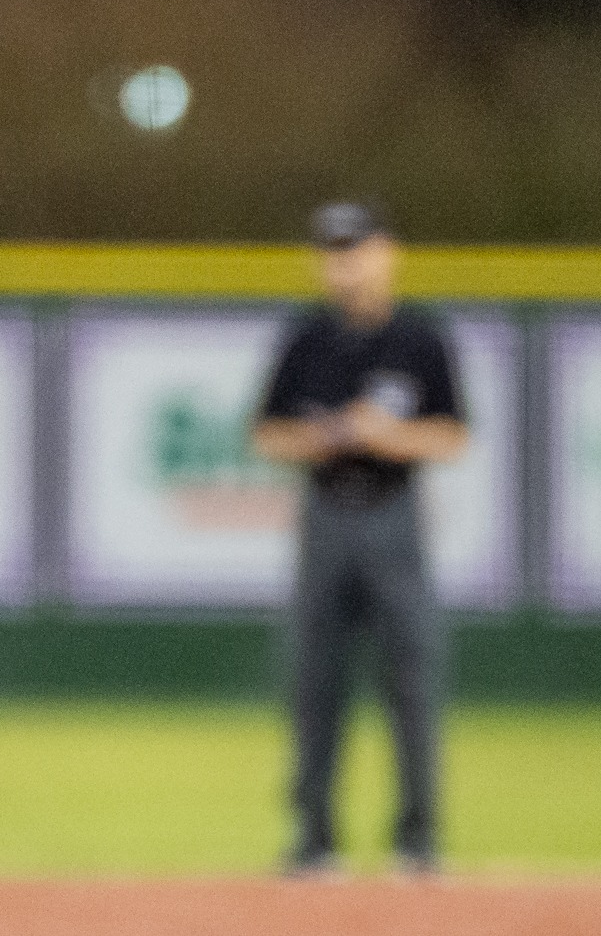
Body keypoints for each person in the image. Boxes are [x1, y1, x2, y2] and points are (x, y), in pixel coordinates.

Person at [252, 201, 468, 876]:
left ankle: (417, 841)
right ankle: (313, 842)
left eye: (355, 247)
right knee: (315, 679)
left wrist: (386, 434)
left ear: (386, 251)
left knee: (411, 676)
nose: (343, 263)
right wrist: (316, 438)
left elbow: (452, 434)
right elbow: (265, 432)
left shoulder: (418, 336)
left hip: (392, 510)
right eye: (332, 250)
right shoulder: (307, 335)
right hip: (325, 510)